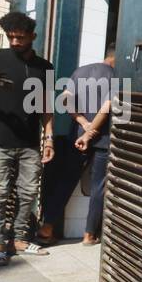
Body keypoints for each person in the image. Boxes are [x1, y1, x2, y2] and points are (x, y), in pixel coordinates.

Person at [0, 12, 55, 267]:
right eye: (11, 37)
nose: (15, 42)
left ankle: (19, 239)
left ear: (33, 36)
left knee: (29, 192)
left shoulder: (45, 67)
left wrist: (49, 139)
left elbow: (46, 106)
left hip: (29, 142)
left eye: (20, 37)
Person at [38, 45, 116, 246]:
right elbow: (107, 107)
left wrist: (82, 123)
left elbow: (65, 101)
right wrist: (91, 133)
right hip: (103, 139)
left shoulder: (80, 71)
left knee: (66, 180)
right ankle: (89, 234)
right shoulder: (116, 75)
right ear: (115, 58)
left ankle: (47, 228)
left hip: (78, 135)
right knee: (99, 186)